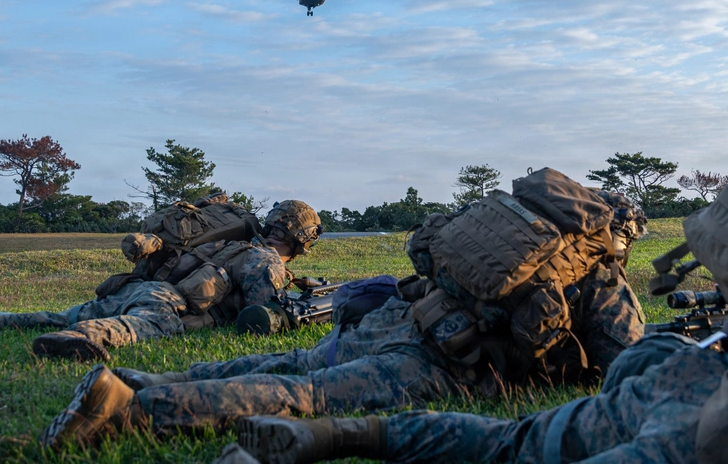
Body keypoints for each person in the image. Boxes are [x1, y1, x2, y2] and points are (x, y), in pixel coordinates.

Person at [227, 131, 728, 464]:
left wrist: (668, 350)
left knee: (510, 443)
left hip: (424, 325)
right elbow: (619, 356)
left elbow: (630, 371)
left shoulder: (545, 242)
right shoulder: (601, 278)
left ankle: (350, 434)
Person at [39, 174, 648, 450]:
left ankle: (151, 378)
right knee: (309, 396)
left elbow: (426, 247)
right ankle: (131, 409)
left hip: (401, 316)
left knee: (295, 360)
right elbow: (629, 366)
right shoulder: (597, 273)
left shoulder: (515, 229)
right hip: (446, 360)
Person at [0, 196, 322, 362]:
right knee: (140, 328)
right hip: (162, 303)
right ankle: (84, 336)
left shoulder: (229, 243)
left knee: (41, 314)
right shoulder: (265, 260)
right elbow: (266, 311)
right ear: (302, 240)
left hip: (134, 286)